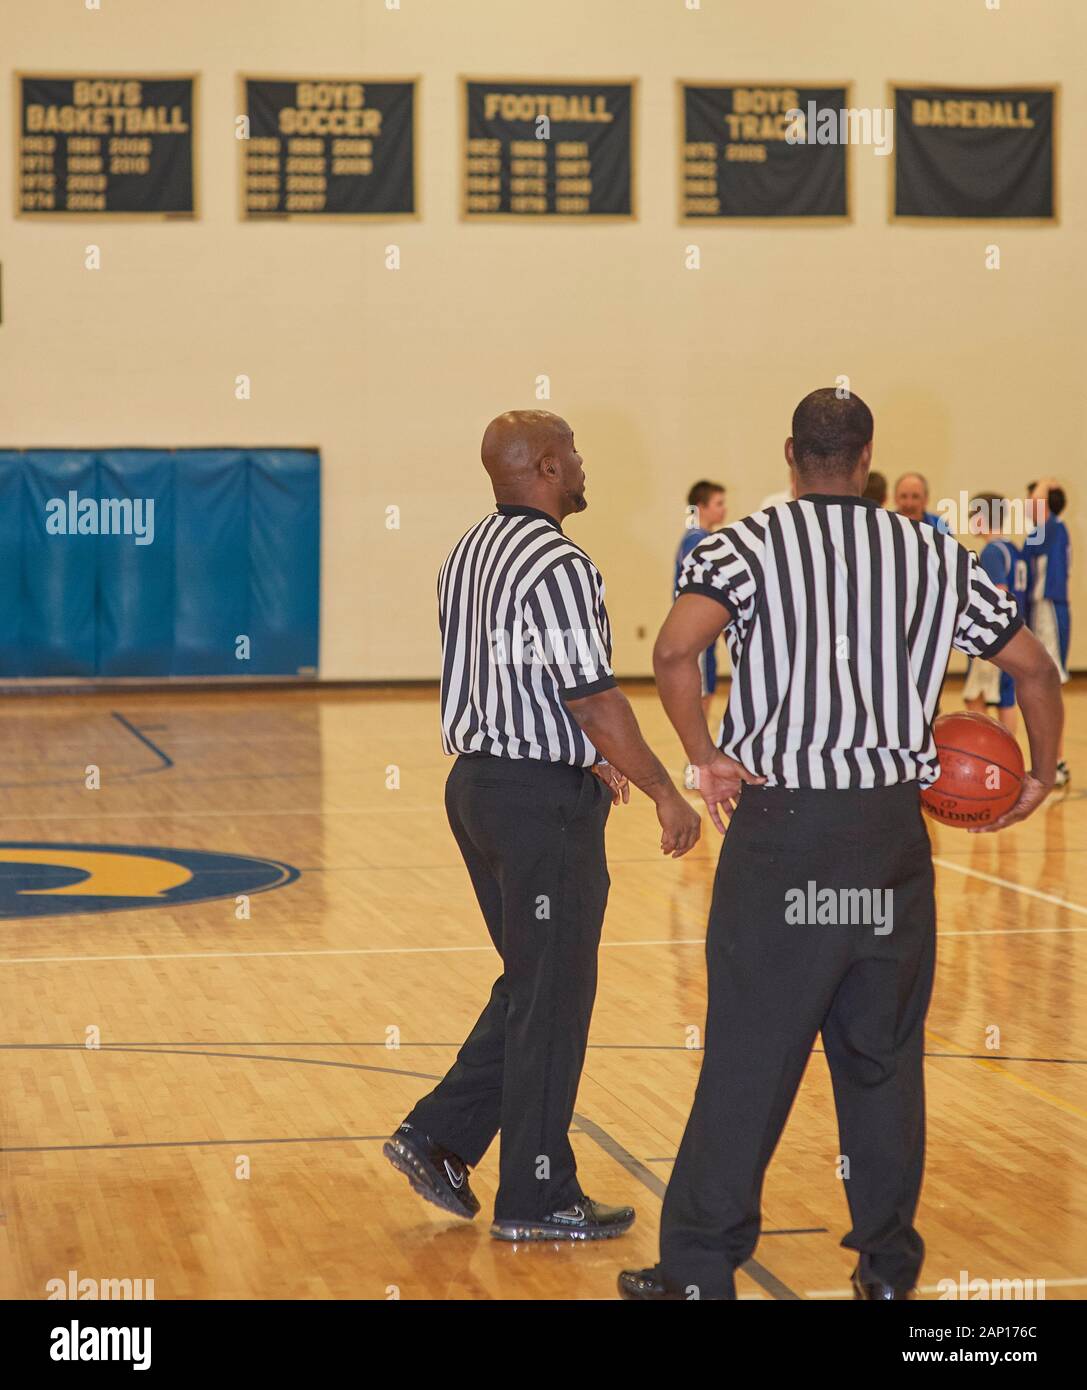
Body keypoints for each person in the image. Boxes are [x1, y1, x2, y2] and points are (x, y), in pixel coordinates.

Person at [619, 389, 1063, 1301]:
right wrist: (1035, 775)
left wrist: (705, 760)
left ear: (790, 454)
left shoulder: (741, 543)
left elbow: (672, 653)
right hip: (886, 842)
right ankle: (888, 1272)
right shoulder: (932, 550)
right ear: (865, 460)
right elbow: (1032, 668)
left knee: (749, 1052)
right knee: (882, 1059)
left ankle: (699, 1272)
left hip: (783, 837)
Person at [385, 409, 701, 1244]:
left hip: (478, 790)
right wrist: (665, 790)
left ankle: (438, 1137)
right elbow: (593, 697)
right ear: (549, 468)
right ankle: (536, 1196)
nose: (586, 465)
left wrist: (579, 750)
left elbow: (513, 676)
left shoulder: (468, 551)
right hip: (536, 807)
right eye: (577, 455)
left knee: (535, 982)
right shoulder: (559, 563)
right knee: (553, 994)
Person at [962, 493, 1029, 733]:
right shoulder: (1014, 549)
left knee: (975, 698)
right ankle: (1007, 760)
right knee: (1005, 698)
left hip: (995, 634)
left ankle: (987, 756)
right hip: (1016, 633)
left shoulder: (991, 551)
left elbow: (999, 592)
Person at [1026, 479, 1072, 785]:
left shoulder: (1053, 527)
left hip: (1050, 609)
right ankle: (1054, 761)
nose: (1028, 504)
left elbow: (1044, 503)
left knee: (1051, 684)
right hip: (1040, 609)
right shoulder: (1041, 533)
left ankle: (1055, 762)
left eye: (1033, 500)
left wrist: (1044, 484)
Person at [675, 480, 727, 726]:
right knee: (701, 693)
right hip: (696, 631)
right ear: (701, 507)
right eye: (718, 503)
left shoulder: (706, 538)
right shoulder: (696, 541)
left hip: (706, 632)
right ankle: (698, 759)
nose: (724, 509)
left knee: (708, 690)